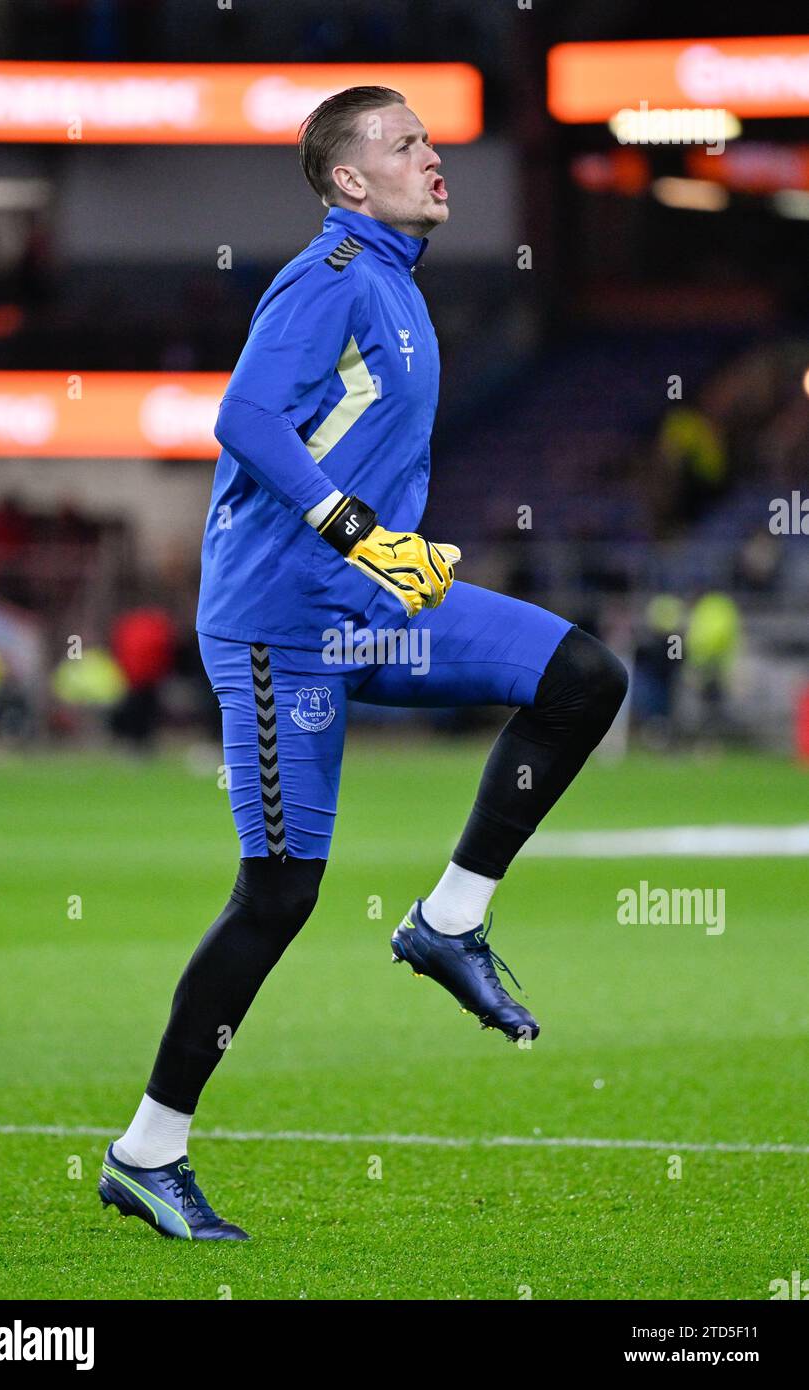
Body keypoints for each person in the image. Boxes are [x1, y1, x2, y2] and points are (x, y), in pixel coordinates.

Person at [99, 86, 628, 1241]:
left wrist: (391, 545)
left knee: (582, 676)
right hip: (281, 626)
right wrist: (355, 528)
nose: (432, 157)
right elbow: (243, 417)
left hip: (369, 605)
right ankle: (148, 1150)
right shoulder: (329, 277)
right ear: (347, 181)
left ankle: (446, 921)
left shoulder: (391, 280)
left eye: (428, 139)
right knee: (279, 893)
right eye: (403, 144)